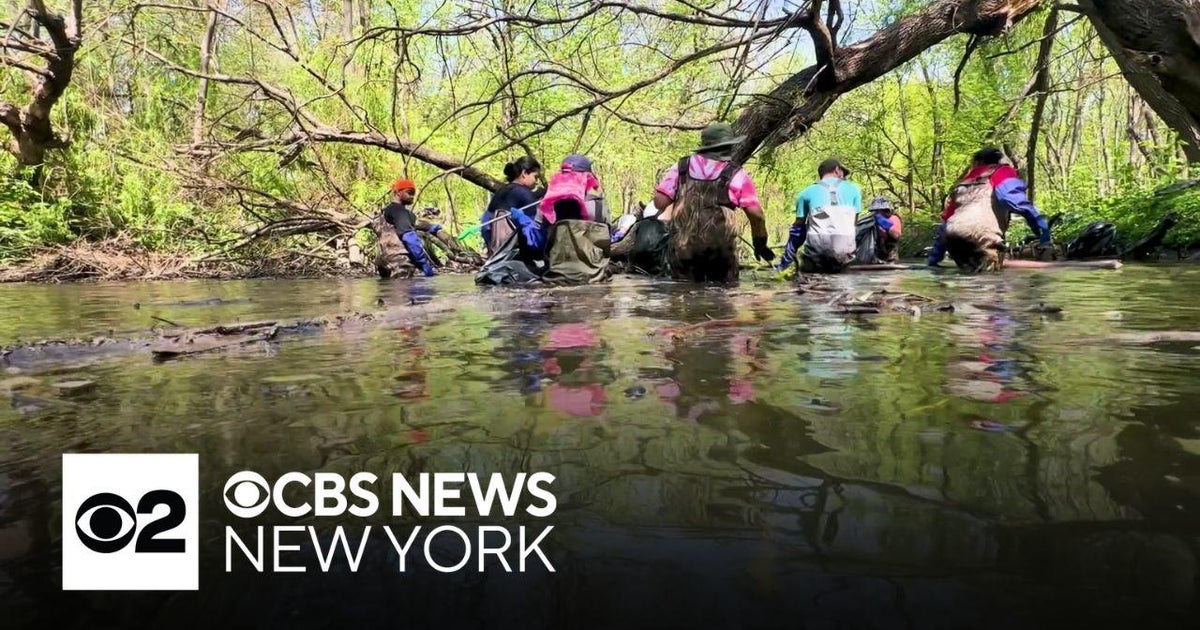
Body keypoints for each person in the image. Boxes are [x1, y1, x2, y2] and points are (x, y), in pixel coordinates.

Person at [652, 122, 772, 282]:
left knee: (682, 296)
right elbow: (757, 216)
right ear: (728, 146)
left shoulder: (681, 167)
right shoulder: (737, 174)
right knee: (723, 301)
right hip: (721, 253)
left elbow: (659, 203)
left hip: (683, 251)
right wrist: (760, 243)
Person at [927, 148, 1050, 271]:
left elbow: (946, 223)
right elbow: (1011, 199)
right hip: (982, 235)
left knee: (968, 278)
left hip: (952, 236)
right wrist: (1039, 224)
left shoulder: (963, 182)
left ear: (976, 163)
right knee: (989, 281)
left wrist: (934, 259)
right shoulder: (1002, 171)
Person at [777, 158, 862, 273]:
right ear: (837, 170)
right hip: (844, 253)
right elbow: (853, 223)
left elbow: (797, 230)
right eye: (843, 173)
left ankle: (787, 266)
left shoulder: (805, 193)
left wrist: (786, 260)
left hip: (816, 253)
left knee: (804, 227)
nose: (844, 177)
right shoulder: (854, 190)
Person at [482, 156, 542, 255]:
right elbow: (532, 230)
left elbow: (486, 222)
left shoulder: (500, 191)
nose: (536, 181)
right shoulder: (525, 194)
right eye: (535, 177)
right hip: (517, 251)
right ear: (524, 173)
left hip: (495, 248)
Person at [381, 178, 437, 277]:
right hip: (399, 259)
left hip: (385, 257)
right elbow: (409, 238)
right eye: (409, 192)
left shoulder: (390, 210)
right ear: (398, 193)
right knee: (405, 288)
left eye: (413, 194)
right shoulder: (399, 211)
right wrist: (423, 262)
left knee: (388, 289)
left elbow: (415, 223)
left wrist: (431, 227)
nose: (412, 196)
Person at [868, 196, 903, 263]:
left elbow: (896, 235)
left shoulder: (893, 218)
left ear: (886, 209)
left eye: (878, 210)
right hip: (876, 257)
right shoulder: (872, 221)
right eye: (874, 210)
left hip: (891, 257)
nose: (875, 212)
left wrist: (885, 224)